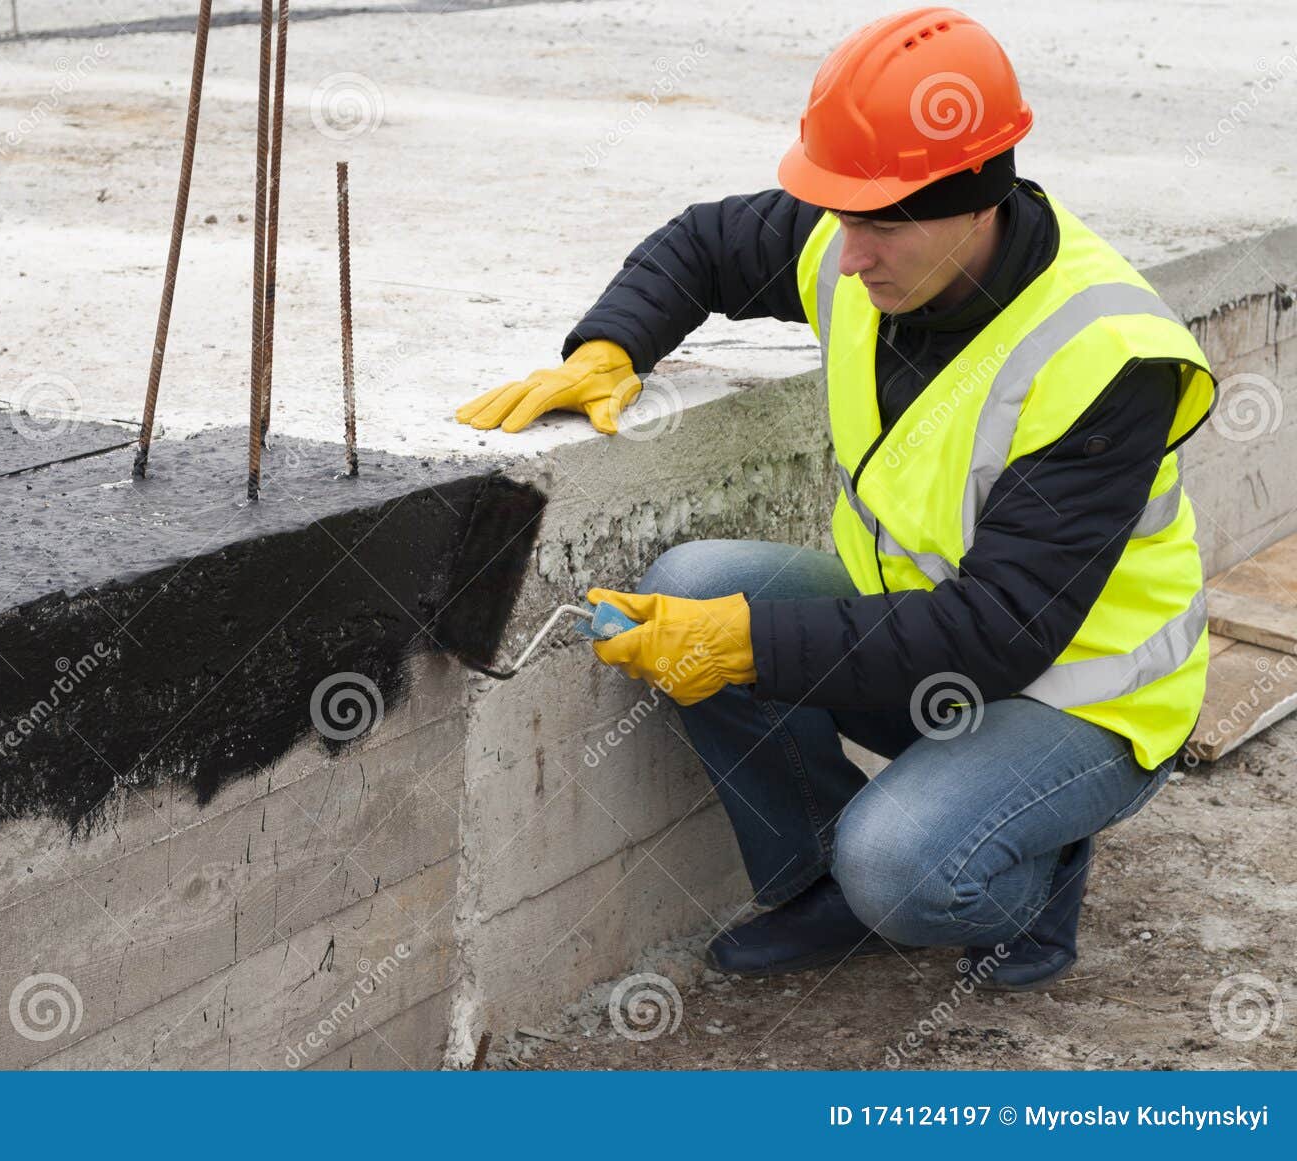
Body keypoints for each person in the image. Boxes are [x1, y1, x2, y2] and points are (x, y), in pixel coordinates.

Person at [454, 6, 1217, 991]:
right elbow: (704, 245)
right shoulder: (862, 246)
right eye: (841, 213)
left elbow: (998, 634)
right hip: (928, 637)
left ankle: (1032, 878)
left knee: (899, 866)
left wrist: (743, 641)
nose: (847, 255)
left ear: (980, 199)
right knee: (695, 577)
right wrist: (612, 347)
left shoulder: (1108, 355)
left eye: (882, 222)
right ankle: (824, 884)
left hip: (1083, 695)